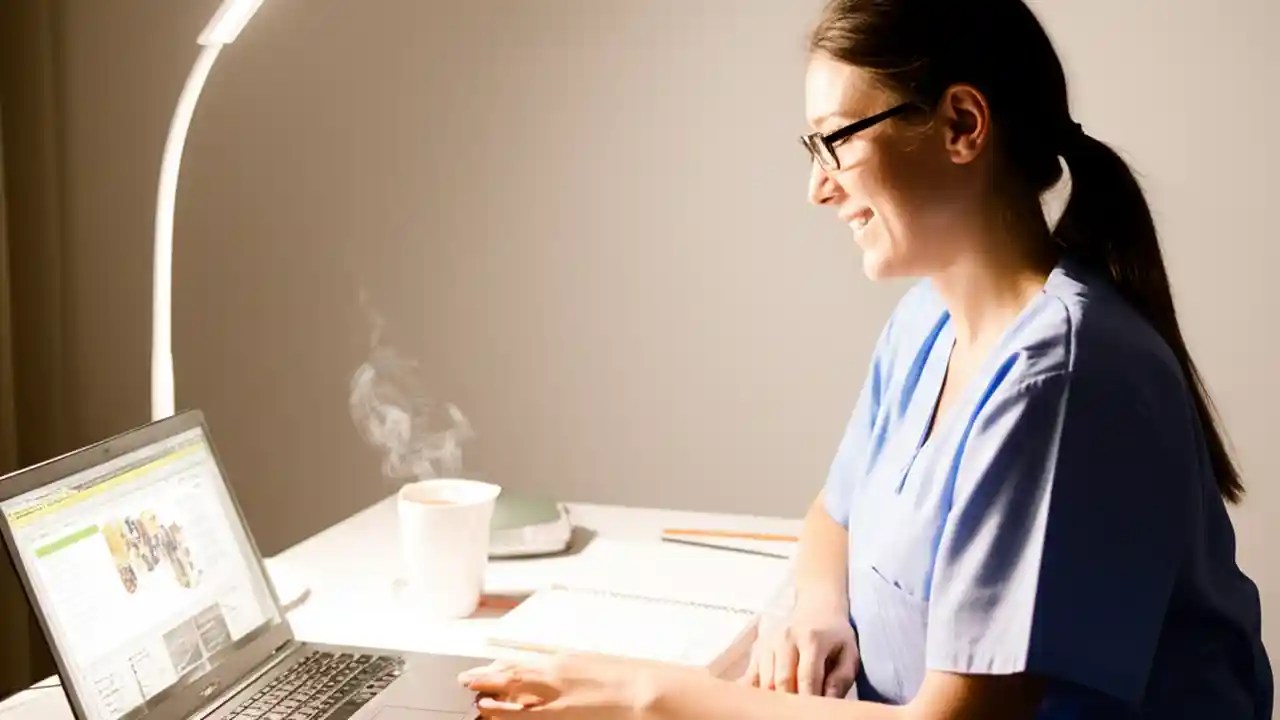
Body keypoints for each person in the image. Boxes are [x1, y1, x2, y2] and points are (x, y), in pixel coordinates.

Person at [458, 0, 1273, 717]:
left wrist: (647, 697)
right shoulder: (928, 319)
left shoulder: (1059, 377)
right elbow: (833, 515)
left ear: (961, 125)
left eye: (834, 143)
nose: (818, 188)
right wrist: (816, 609)